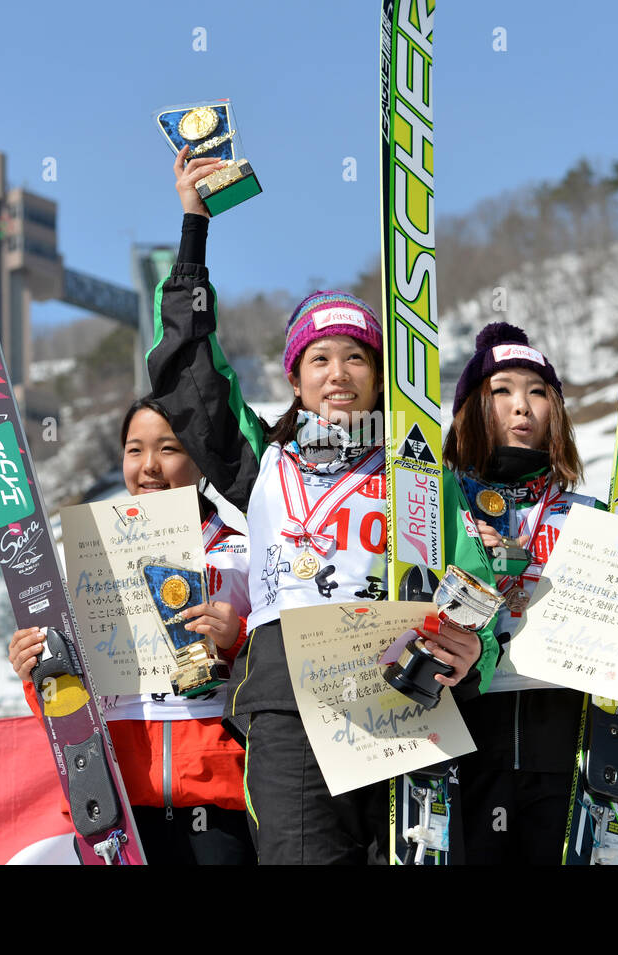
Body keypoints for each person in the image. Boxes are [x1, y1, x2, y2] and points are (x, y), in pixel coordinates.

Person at [143, 145, 500, 864]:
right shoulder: (263, 460)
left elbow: (474, 593)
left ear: (378, 377)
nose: (339, 374)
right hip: (290, 706)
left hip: (404, 694)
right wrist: (193, 230)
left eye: (357, 357)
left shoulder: (418, 475)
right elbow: (187, 374)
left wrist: (473, 654)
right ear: (297, 381)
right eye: (320, 359)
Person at [443, 321, 618, 865]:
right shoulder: (435, 510)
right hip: (460, 752)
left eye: (538, 392)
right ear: (470, 409)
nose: (522, 407)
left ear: (557, 415)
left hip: (570, 760)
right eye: (502, 391)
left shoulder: (594, 521)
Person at [8, 396, 255, 865]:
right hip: (116, 797)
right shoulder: (87, 557)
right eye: (134, 450)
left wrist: (238, 637)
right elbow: (63, 706)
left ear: (200, 457)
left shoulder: (240, 555)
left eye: (169, 449)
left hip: (219, 794)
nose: (149, 467)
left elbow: (275, 672)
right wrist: (34, 669)